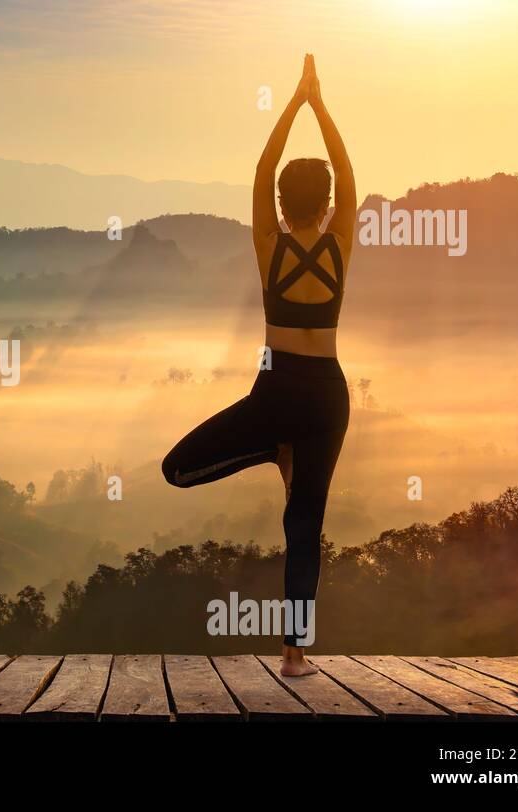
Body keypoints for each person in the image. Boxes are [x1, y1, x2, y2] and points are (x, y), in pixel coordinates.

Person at [161, 55, 355, 677]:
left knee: (176, 470)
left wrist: (294, 103)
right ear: (326, 202)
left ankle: (272, 448)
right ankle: (295, 654)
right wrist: (319, 105)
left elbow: (263, 167)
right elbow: (348, 170)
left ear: (278, 202)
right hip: (326, 396)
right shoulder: (342, 241)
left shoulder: (267, 246)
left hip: (275, 394)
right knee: (305, 520)